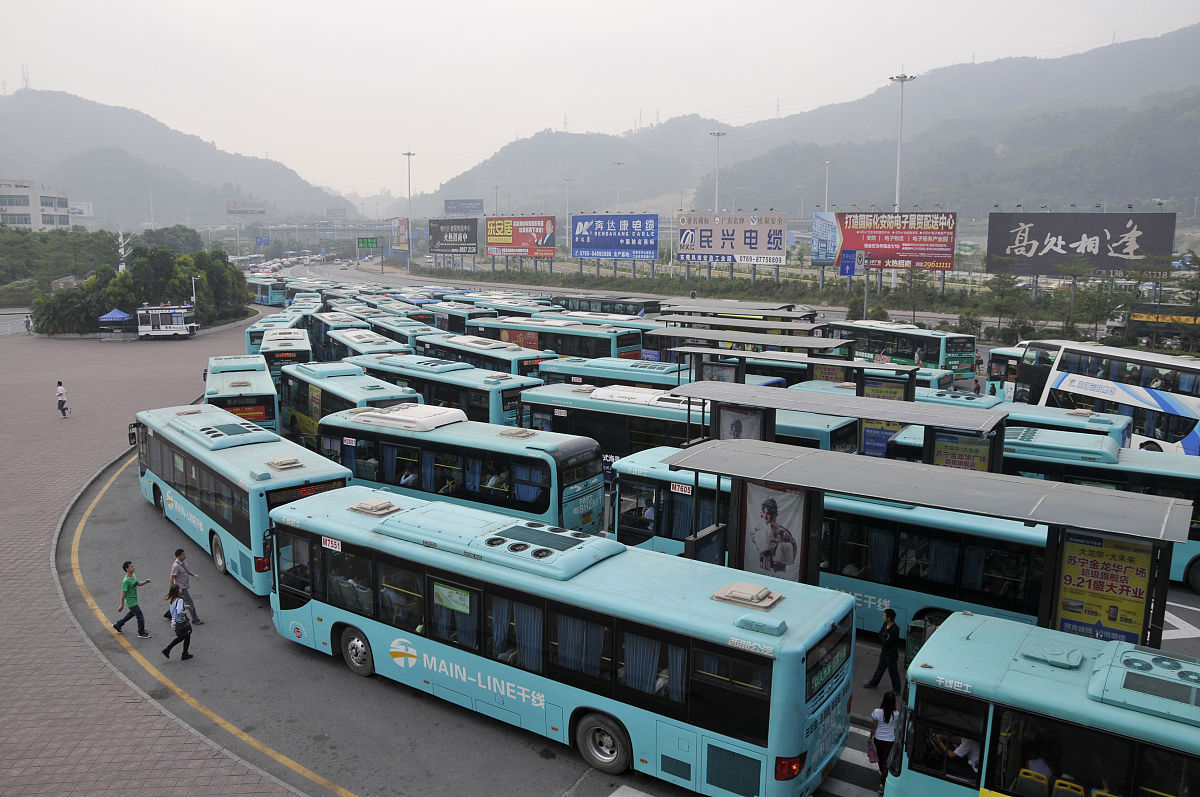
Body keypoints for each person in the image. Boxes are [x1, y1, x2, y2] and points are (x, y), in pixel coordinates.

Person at [864, 608, 901, 692]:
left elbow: (887, 642)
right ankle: (873, 683)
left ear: (889, 618)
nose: (883, 617)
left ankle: (896, 689)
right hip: (884, 652)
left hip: (891, 654)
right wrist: (884, 638)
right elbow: (880, 634)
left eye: (884, 616)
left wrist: (884, 638)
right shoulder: (885, 625)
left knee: (893, 672)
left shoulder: (894, 630)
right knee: (880, 668)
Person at [113, 561, 152, 639]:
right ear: (127, 569)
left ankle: (118, 624)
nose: (133, 567)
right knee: (140, 616)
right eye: (131, 567)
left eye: (133, 566)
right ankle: (141, 632)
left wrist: (145, 582)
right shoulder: (126, 581)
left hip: (134, 600)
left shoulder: (133, 575)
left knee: (132, 614)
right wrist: (121, 605)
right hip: (131, 602)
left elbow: (138, 584)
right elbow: (123, 593)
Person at [870, 691, 898, 794]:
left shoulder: (877, 712)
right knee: (887, 761)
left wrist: (870, 737)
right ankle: (883, 783)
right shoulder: (896, 714)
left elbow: (874, 727)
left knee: (881, 758)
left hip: (878, 739)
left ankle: (882, 771)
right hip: (890, 740)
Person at [166, 548, 203, 624]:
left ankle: (169, 613)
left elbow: (187, 570)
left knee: (179, 601)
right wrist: (171, 588)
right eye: (183, 554)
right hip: (181, 588)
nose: (184, 555)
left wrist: (194, 575)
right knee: (189, 603)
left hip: (184, 586)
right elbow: (171, 577)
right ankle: (195, 619)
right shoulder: (176, 566)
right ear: (178, 556)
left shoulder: (183, 563)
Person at [161, 584, 194, 660]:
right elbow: (179, 612)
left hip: (175, 622)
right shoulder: (180, 600)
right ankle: (168, 649)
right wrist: (184, 611)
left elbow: (174, 608)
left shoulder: (172, 599)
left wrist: (184, 606)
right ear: (177, 591)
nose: (180, 589)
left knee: (185, 636)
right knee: (184, 636)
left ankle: (183, 653)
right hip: (181, 623)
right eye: (179, 588)